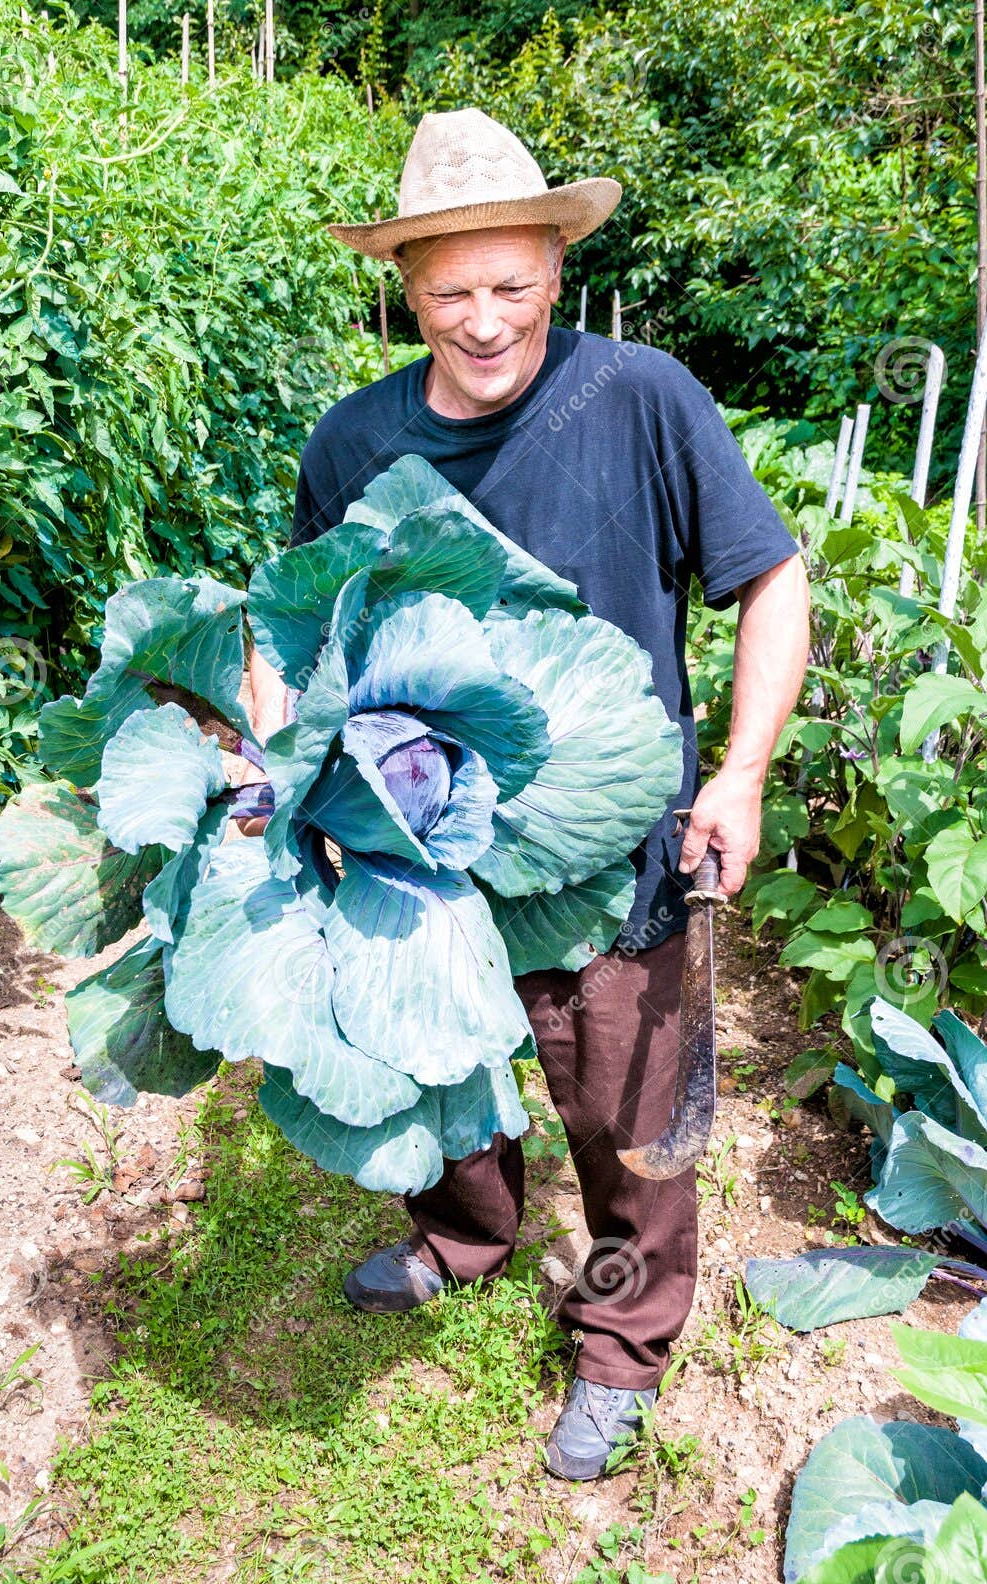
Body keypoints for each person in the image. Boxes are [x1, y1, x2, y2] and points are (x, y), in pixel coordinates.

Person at [243, 108, 810, 1481]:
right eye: (450, 292)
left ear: (556, 268)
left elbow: (769, 580)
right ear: (404, 287)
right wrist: (273, 756)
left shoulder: (640, 397)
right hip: (415, 844)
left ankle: (618, 1340)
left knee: (625, 1111)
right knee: (435, 1061)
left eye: (511, 284)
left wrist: (735, 773)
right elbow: (288, 625)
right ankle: (468, 1237)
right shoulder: (354, 441)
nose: (484, 320)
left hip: (604, 837)